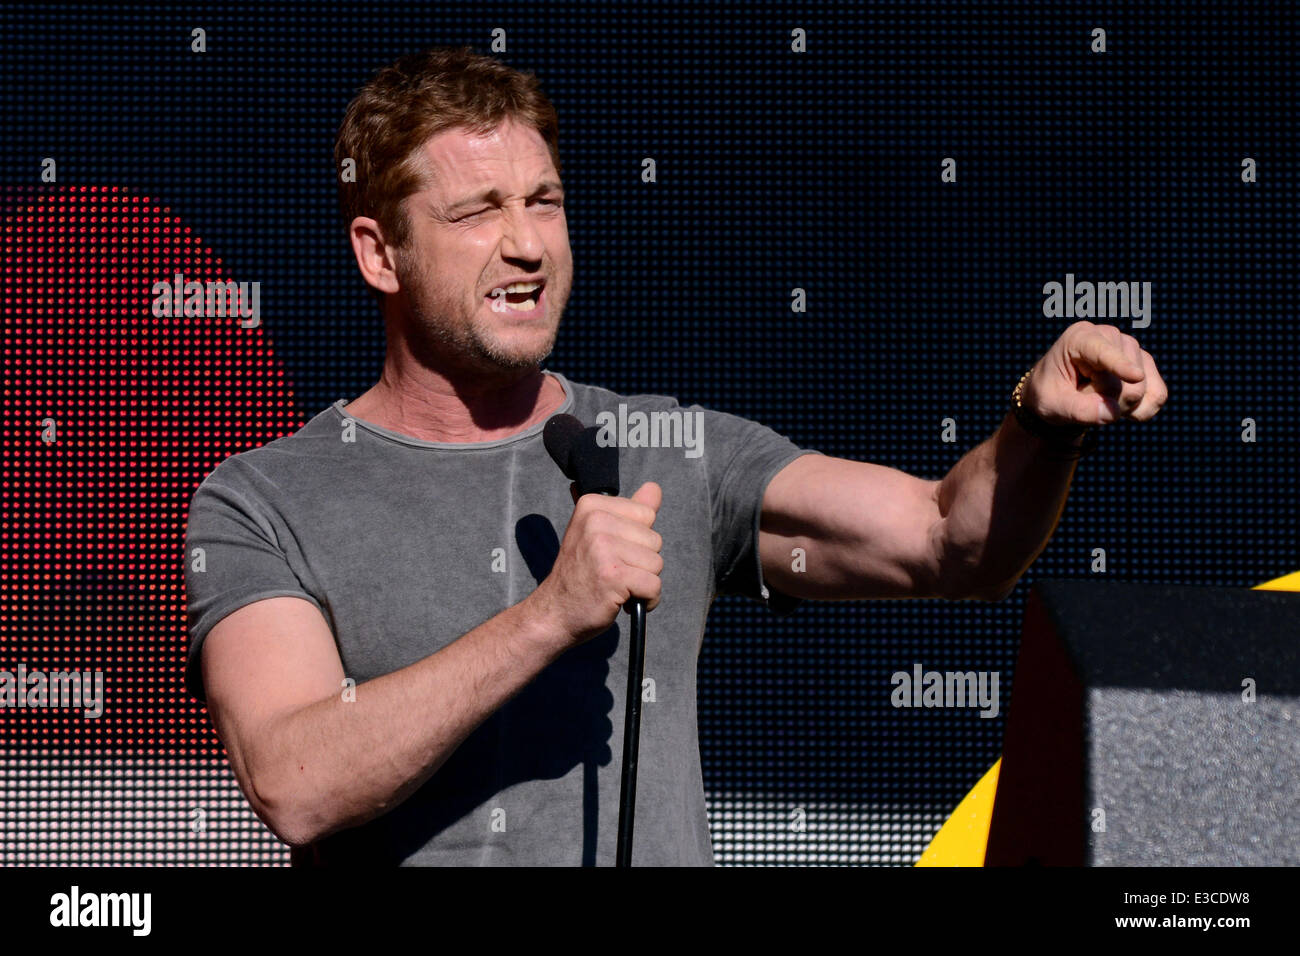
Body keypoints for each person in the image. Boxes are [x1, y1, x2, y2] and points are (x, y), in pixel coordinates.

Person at [183, 46, 1167, 866]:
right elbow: (294, 782)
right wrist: (547, 617)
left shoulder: (667, 449)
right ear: (378, 252)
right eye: (477, 211)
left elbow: (949, 544)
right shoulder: (264, 499)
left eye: (545, 201)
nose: (526, 243)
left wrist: (1040, 425)